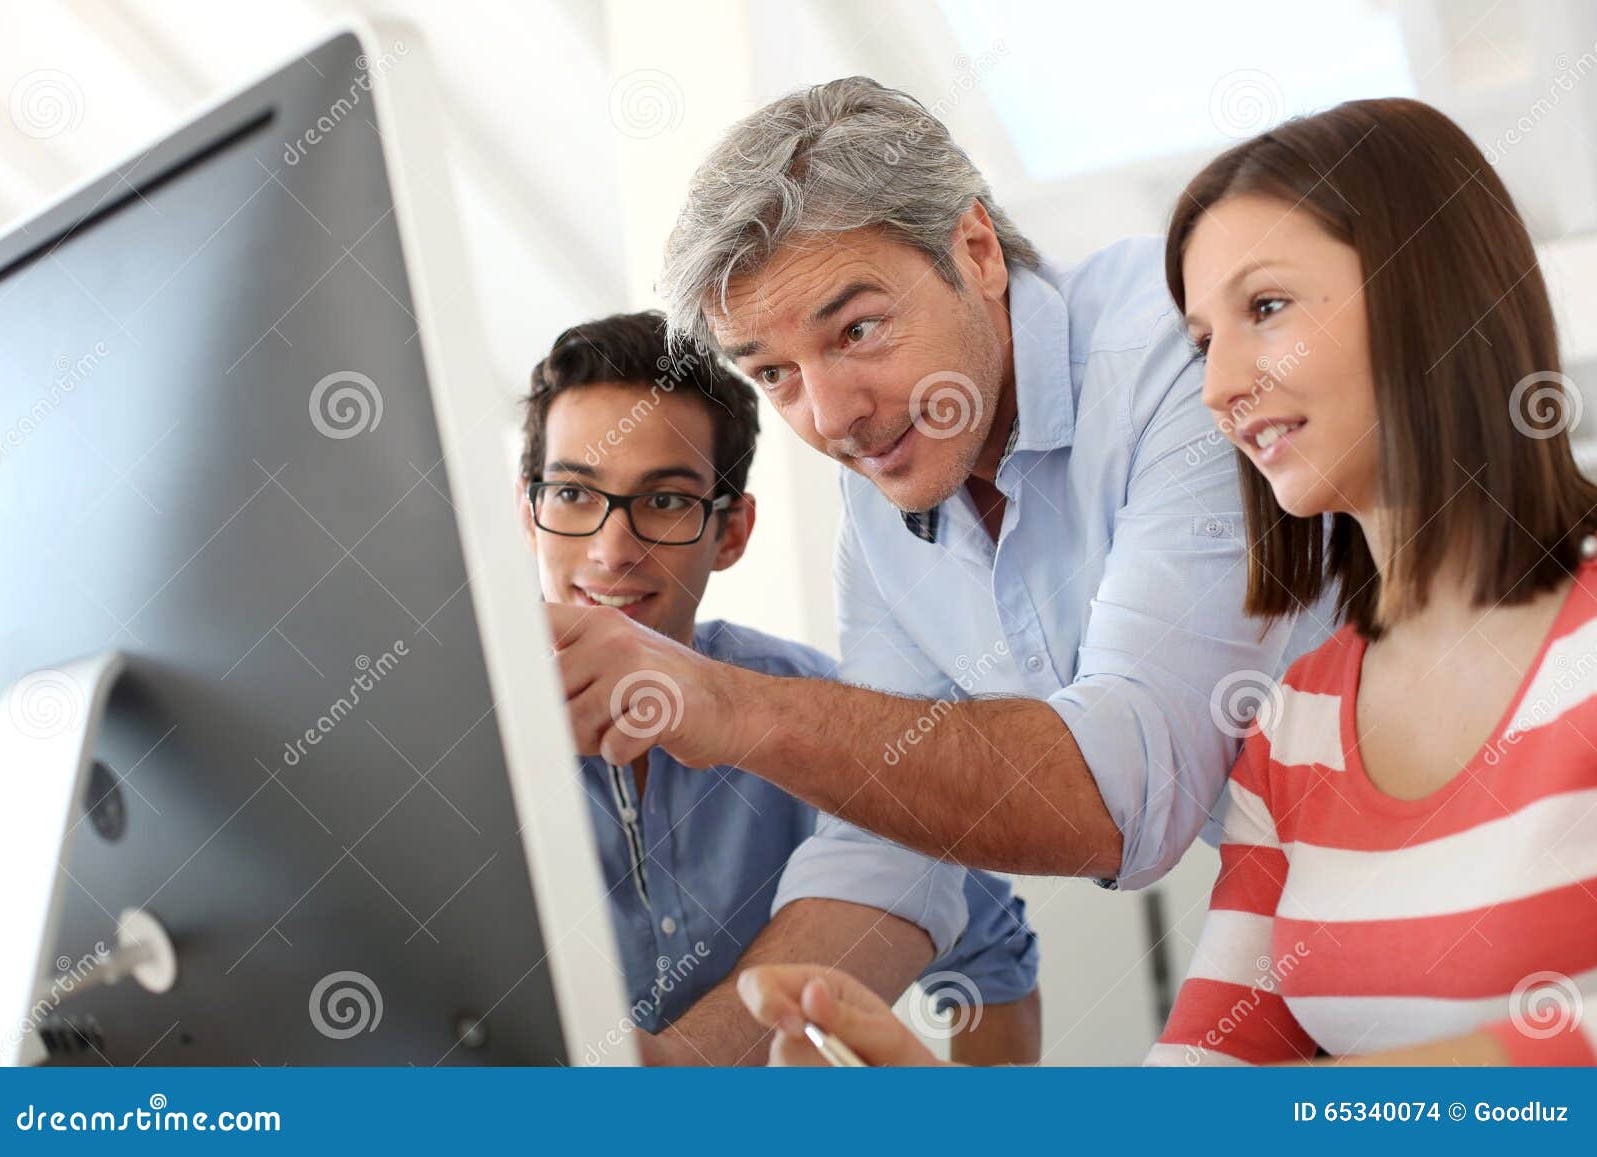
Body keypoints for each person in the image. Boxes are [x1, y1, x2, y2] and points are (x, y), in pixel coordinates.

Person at [737, 97, 1597, 1067]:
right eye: (1199, 342)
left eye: (1265, 309)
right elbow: (1194, 1090)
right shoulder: (1294, 726)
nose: (1217, 386)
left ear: (1429, 291)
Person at [543, 76, 1329, 1030]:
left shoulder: (1170, 356)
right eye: (776, 374)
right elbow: (886, 852)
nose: (831, 417)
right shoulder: (881, 509)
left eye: (859, 329)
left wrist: (717, 700)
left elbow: (1125, 797)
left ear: (976, 249)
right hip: (1294, 909)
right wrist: (673, 1078)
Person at [519, 310, 1040, 1065]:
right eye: (572, 494)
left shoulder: (826, 725)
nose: (611, 551)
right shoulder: (443, 749)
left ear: (730, 533)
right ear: (527, 515)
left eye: (664, 501)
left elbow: (994, 954)